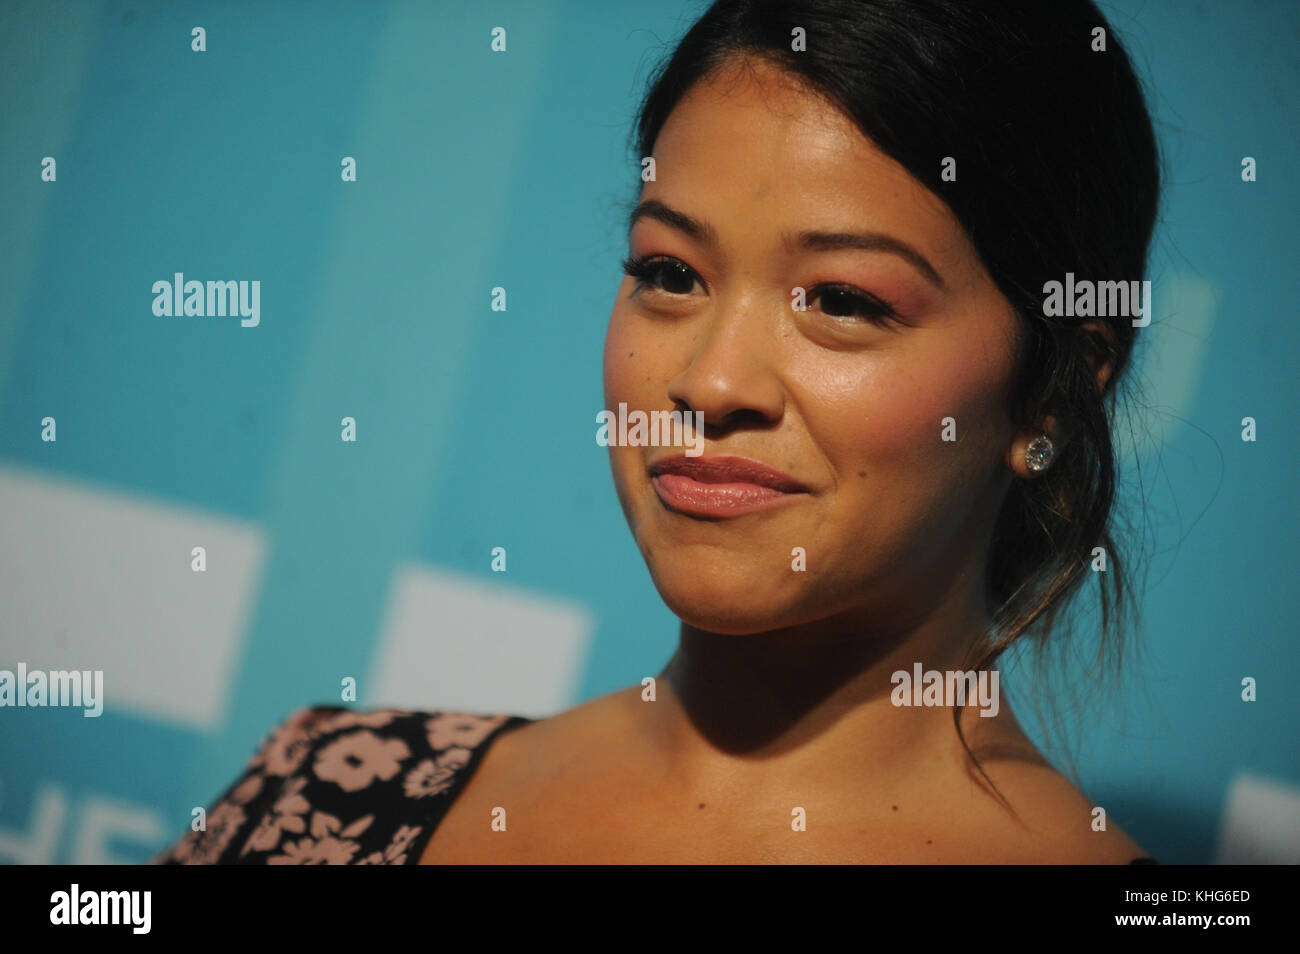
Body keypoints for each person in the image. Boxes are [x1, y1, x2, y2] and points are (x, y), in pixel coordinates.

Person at [157, 0, 1161, 864]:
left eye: (844, 300)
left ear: (1056, 392)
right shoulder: (323, 793)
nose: (710, 380)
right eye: (669, 274)